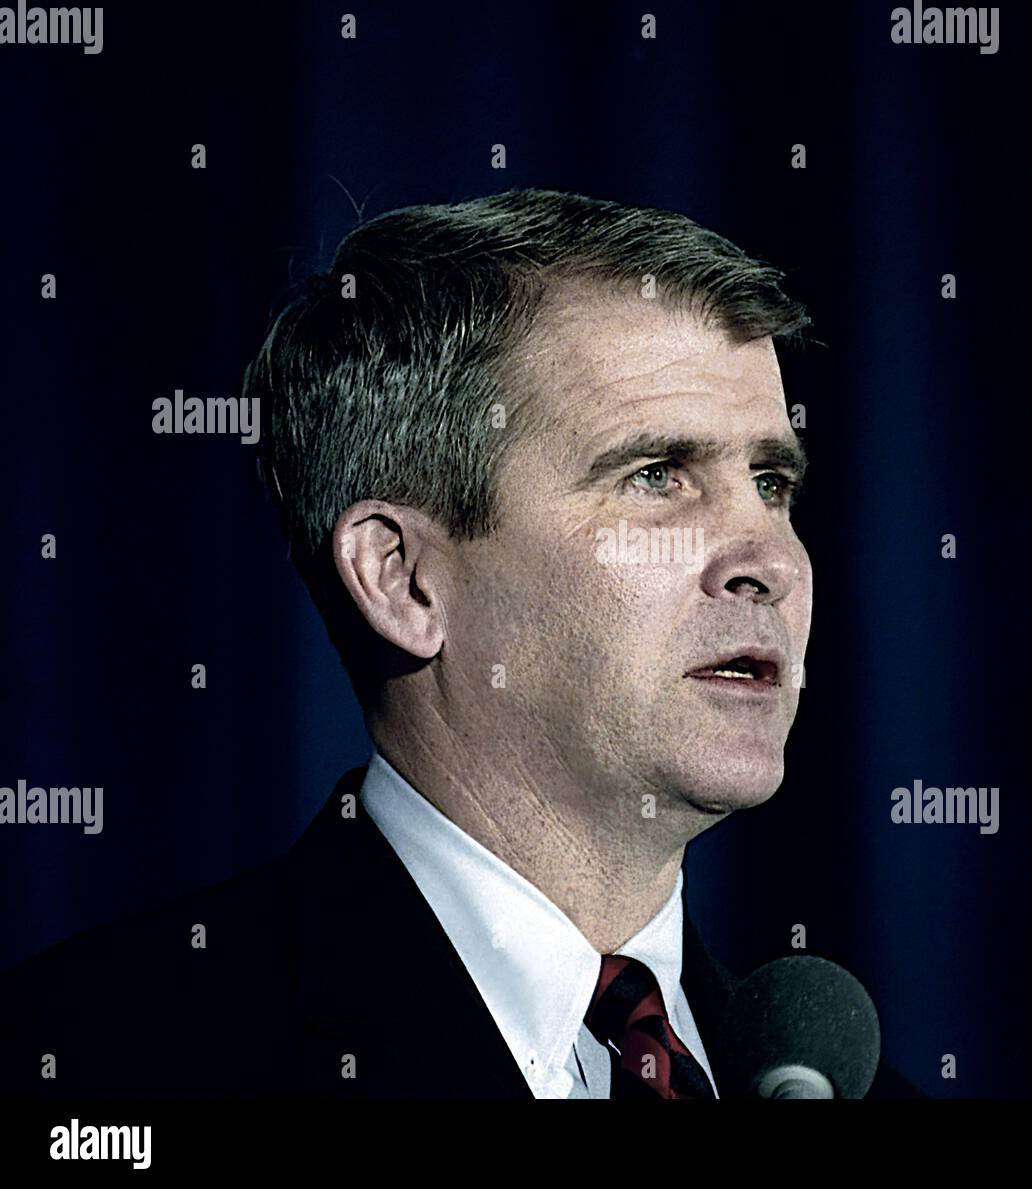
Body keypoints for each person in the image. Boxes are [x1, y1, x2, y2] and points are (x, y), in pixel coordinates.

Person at [0, 189, 920, 1099]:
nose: (769, 560)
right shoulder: (98, 1063)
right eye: (656, 476)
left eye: (770, 481)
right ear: (402, 580)